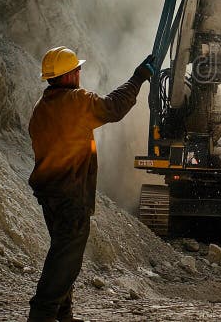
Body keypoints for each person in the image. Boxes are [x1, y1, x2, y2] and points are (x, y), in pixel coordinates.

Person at [27, 46, 153, 322]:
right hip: (70, 195)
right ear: (68, 75)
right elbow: (113, 107)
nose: (80, 72)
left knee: (63, 252)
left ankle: (64, 315)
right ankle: (41, 315)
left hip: (49, 193)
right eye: (77, 69)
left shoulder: (42, 106)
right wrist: (138, 78)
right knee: (66, 259)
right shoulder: (75, 101)